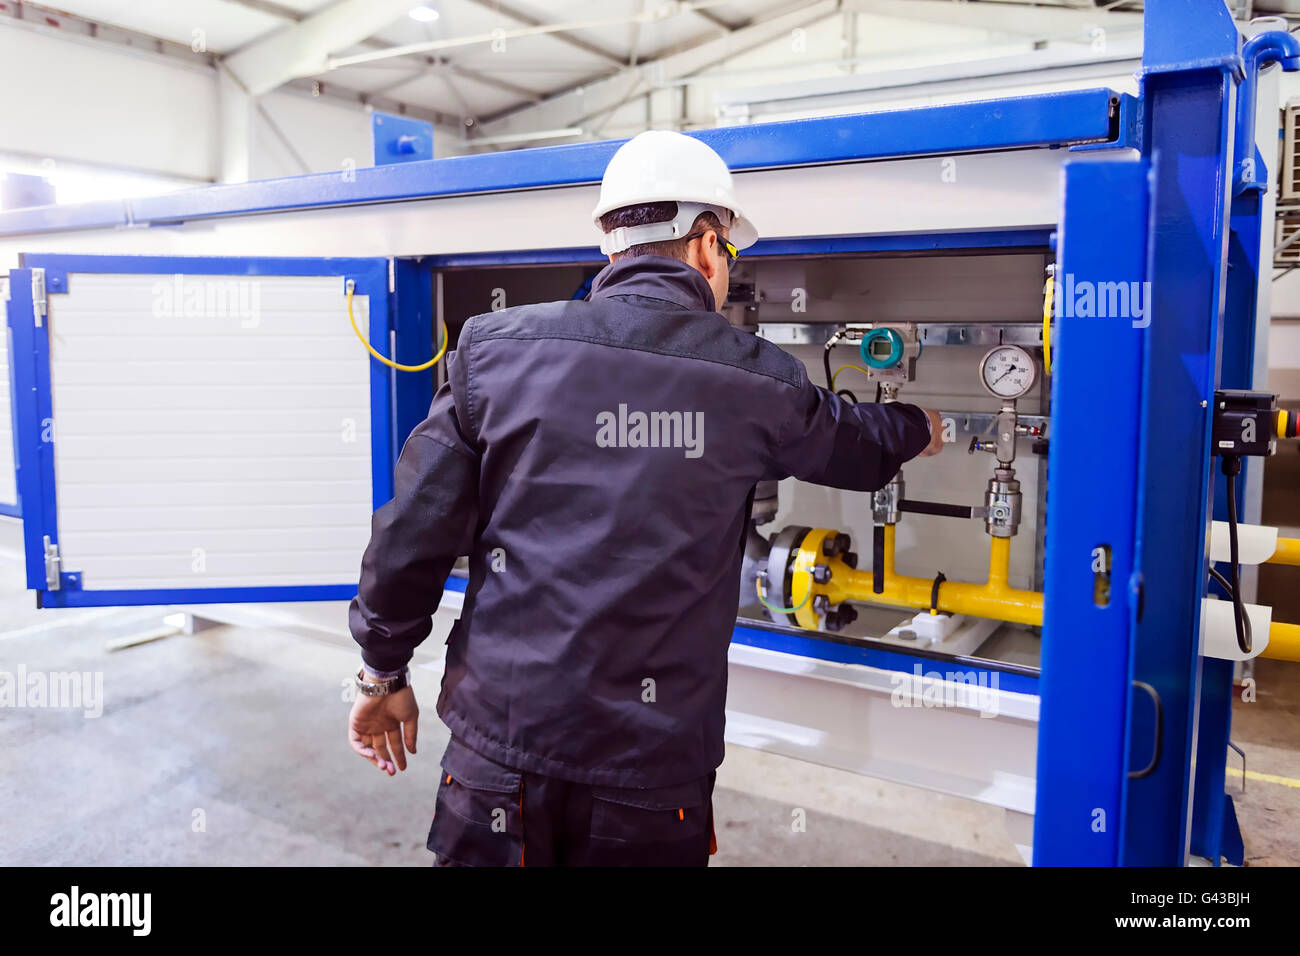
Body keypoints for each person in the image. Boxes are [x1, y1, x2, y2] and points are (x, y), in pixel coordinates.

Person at [347, 129, 945, 867]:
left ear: (612, 245)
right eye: (730, 253)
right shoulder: (755, 379)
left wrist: (383, 671)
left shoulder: (494, 349)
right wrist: (923, 425)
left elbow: (413, 533)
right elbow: (860, 445)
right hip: (650, 775)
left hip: (498, 753)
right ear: (705, 243)